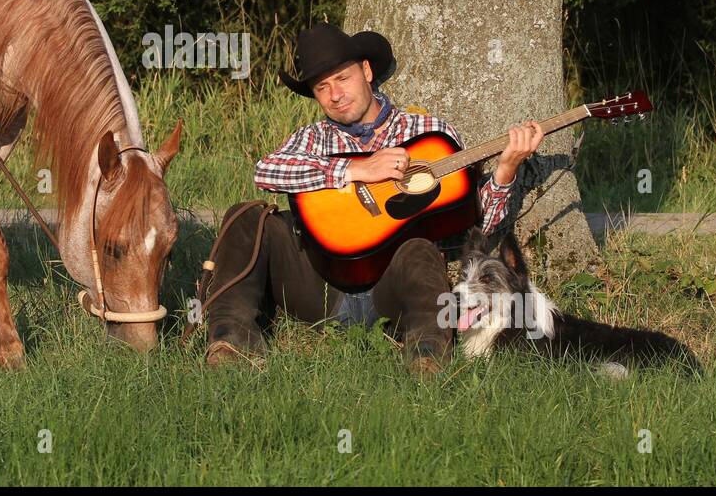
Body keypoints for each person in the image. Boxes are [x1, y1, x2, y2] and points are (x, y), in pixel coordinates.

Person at [201, 22, 544, 374]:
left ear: (366, 71)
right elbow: (266, 172)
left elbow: (476, 228)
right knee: (247, 216)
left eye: (342, 78)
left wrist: (505, 171)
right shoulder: (314, 137)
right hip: (319, 287)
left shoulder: (428, 134)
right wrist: (354, 171)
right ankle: (232, 342)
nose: (334, 94)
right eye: (322, 87)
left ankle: (426, 356)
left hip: (393, 291)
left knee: (421, 248)